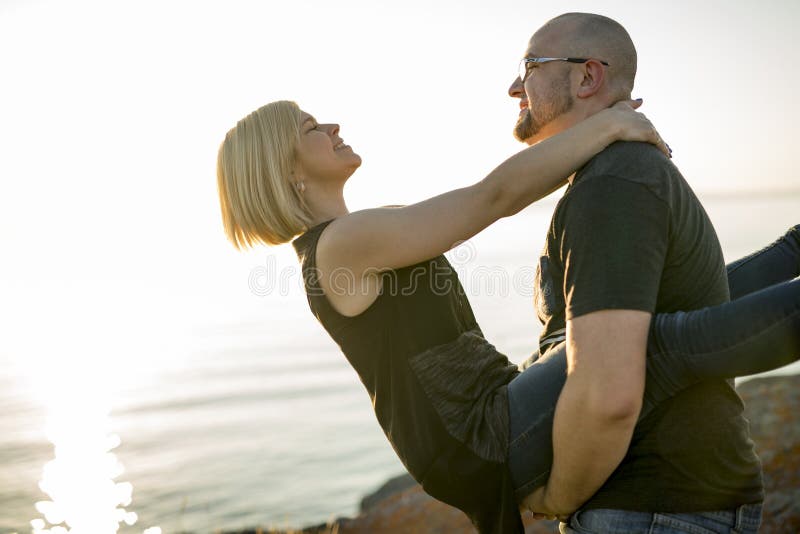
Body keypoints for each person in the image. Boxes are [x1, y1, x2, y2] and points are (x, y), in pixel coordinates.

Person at [215, 98, 799, 533]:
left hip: (497, 399)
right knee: (638, 345)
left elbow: (486, 198)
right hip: (479, 432)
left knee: (637, 311)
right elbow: (489, 198)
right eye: (311, 127)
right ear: (285, 169)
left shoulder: (361, 232)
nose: (333, 125)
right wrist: (610, 125)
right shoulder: (339, 246)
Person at [505, 12, 795, 534]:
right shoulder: (612, 176)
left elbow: (609, 396)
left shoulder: (614, 181)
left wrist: (559, 496)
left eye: (528, 66)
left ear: (587, 77)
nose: (512, 87)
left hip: (652, 511)